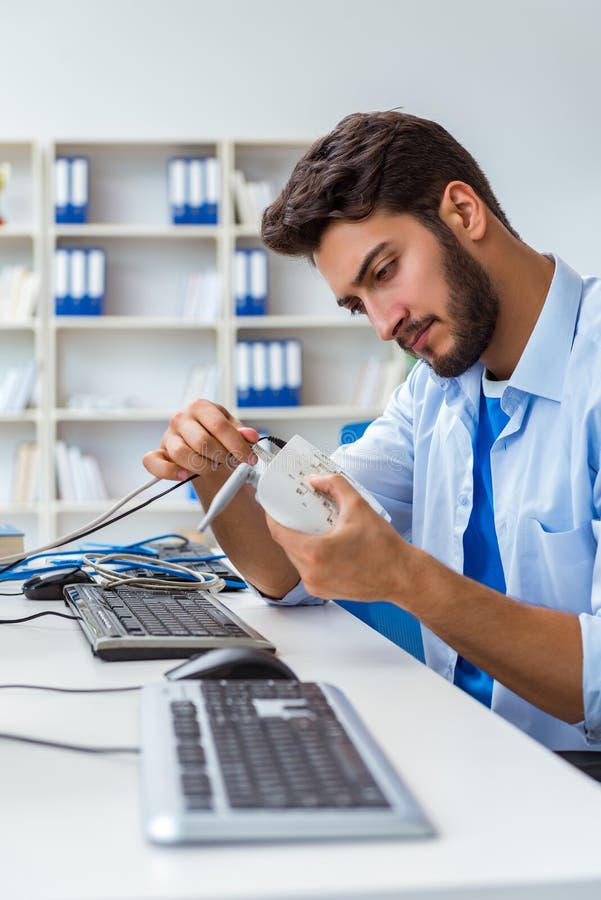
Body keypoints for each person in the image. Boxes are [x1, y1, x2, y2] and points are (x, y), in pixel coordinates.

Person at [143, 111, 601, 751]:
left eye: (385, 271)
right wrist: (212, 468)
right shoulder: (437, 389)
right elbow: (289, 570)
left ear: (464, 212)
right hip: (461, 747)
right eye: (359, 303)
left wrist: (404, 578)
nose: (385, 325)